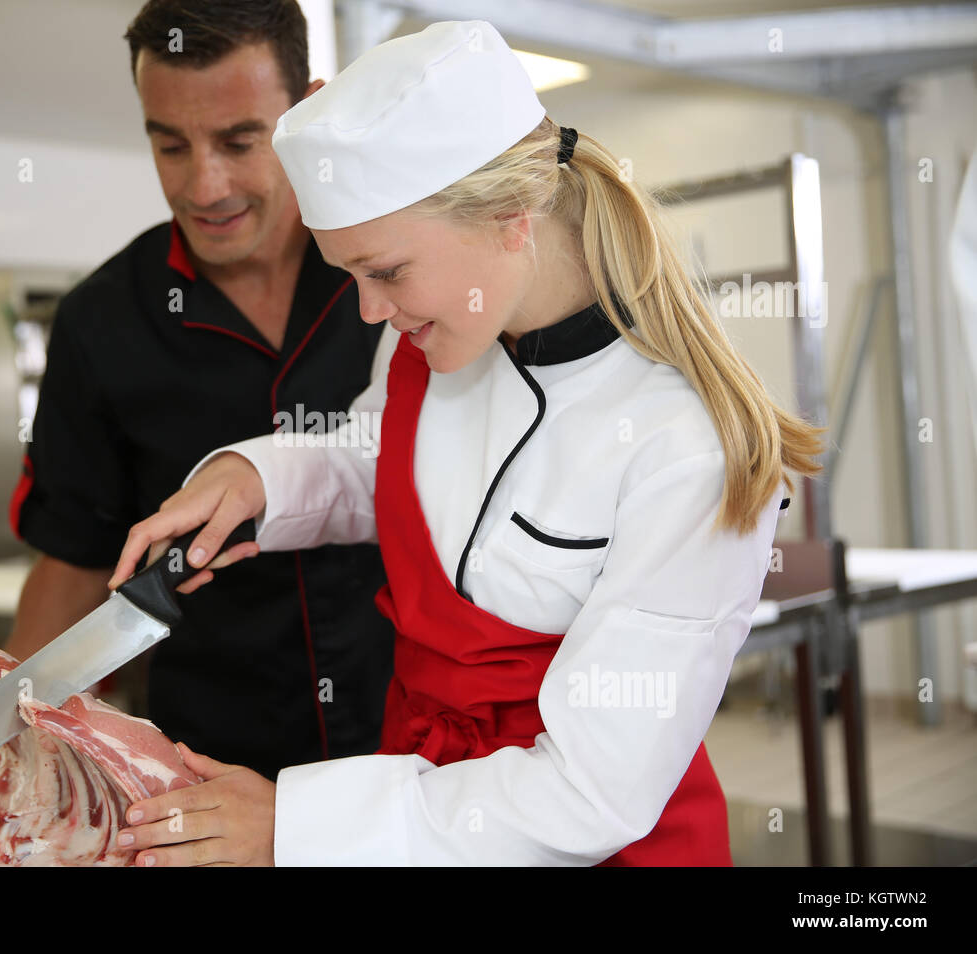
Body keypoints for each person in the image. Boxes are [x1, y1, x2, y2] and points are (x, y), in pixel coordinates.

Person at [107, 19, 825, 866]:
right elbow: (376, 461)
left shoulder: (688, 450)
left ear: (512, 218)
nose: (370, 311)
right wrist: (254, 478)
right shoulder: (434, 337)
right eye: (351, 278)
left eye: (386, 272)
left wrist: (298, 827)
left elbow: (590, 792)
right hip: (414, 788)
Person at [0, 0, 397, 780]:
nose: (205, 185)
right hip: (211, 760)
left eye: (240, 141)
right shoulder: (101, 321)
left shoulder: (391, 264)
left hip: (414, 739)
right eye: (170, 145)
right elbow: (74, 559)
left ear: (306, 110)